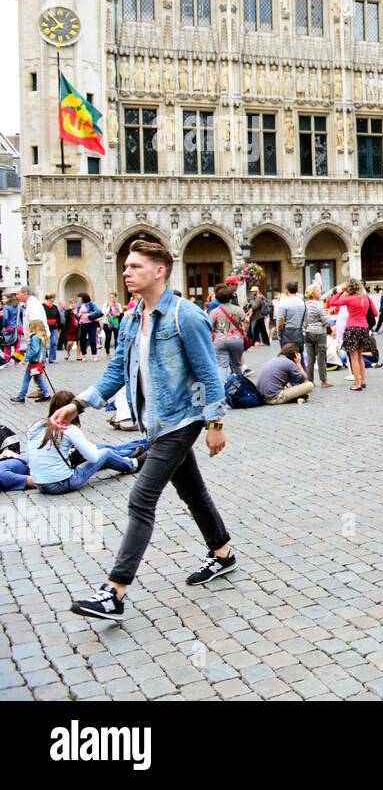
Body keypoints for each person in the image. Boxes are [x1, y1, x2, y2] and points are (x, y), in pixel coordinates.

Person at [56, 240, 234, 623]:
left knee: (141, 498)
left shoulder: (185, 316)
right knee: (192, 490)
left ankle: (114, 592)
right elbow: (117, 371)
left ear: (159, 271)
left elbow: (209, 375)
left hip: (181, 419)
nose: (126, 272)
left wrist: (215, 423)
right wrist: (78, 404)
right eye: (126, 266)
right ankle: (222, 552)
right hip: (154, 421)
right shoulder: (133, 317)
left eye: (135, 266)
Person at [26, 391, 143, 494]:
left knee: (103, 454)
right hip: (61, 483)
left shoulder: (35, 426)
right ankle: (133, 464)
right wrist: (89, 444)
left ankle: (131, 454)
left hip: (39, 484)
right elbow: (93, 458)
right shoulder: (69, 429)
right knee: (106, 453)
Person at [327, 280, 377, 391]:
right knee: (360, 357)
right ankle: (363, 381)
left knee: (353, 358)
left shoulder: (349, 299)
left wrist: (340, 292)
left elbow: (332, 303)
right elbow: (373, 312)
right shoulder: (365, 298)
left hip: (352, 328)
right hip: (364, 328)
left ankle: (357, 383)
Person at [209, 284, 248, 383]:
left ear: (217, 298)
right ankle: (239, 386)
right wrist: (244, 331)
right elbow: (246, 320)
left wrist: (212, 337)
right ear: (230, 297)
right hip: (237, 340)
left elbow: (209, 327)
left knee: (222, 366)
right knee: (237, 365)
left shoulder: (214, 312)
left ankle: (222, 388)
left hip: (220, 341)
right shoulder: (238, 309)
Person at [11, 318, 53, 403]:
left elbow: (34, 350)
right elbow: (38, 349)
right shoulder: (41, 336)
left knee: (26, 379)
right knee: (38, 379)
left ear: (33, 327)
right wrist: (23, 350)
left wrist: (25, 359)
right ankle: (46, 395)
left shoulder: (34, 337)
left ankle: (21, 396)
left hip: (34, 362)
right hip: (39, 362)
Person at [302, 284, 332, 389]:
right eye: (318, 291)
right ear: (314, 294)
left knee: (310, 359)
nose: (320, 293)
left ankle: (310, 381)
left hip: (308, 332)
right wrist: (329, 314)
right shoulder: (318, 305)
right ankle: (323, 381)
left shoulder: (305, 305)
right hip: (319, 333)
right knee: (321, 358)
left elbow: (304, 321)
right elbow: (326, 321)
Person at [276, 282, 307, 350]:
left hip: (287, 333)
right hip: (300, 332)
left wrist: (279, 335)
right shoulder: (303, 303)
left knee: (288, 356)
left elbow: (280, 322)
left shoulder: (283, 304)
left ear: (286, 291)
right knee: (299, 356)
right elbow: (306, 320)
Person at [73, 291, 102, 362]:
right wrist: (78, 314)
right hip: (82, 324)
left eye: (80, 298)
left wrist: (88, 314)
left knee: (92, 339)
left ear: (83, 298)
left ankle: (94, 355)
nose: (79, 300)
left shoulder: (91, 303)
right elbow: (76, 314)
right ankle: (84, 355)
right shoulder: (80, 305)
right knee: (82, 340)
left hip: (91, 323)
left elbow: (97, 311)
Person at [42, 294, 62, 364]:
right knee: (43, 343)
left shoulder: (55, 307)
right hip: (45, 327)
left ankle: (52, 358)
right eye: (53, 298)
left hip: (54, 327)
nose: (54, 299)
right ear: (49, 298)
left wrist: (60, 327)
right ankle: (43, 358)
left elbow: (58, 317)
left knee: (53, 342)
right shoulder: (42, 306)